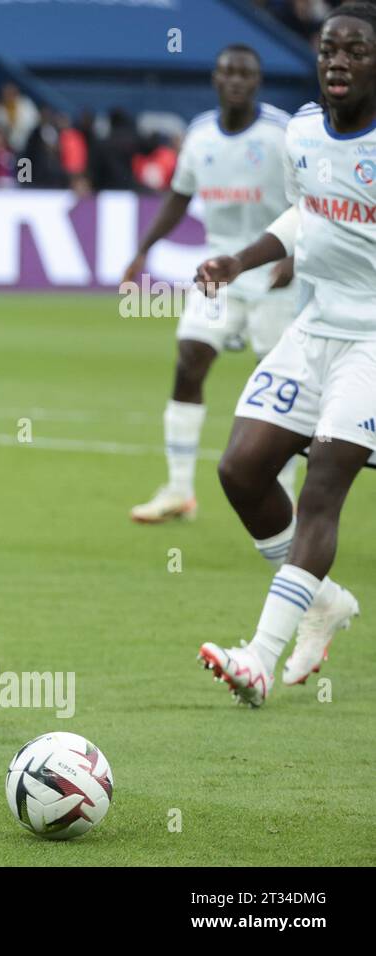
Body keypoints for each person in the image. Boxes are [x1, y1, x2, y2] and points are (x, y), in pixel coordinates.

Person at [194, 4, 376, 705]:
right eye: (330, 49)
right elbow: (305, 215)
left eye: (355, 51)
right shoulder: (300, 133)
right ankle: (323, 601)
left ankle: (260, 658)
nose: (338, 61)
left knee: (323, 485)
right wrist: (238, 259)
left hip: (370, 343)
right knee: (241, 470)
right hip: (312, 328)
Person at [123, 45, 299, 524]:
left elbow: (312, 200)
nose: (236, 80)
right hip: (219, 271)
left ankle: (286, 502)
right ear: (216, 79)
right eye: (228, 72)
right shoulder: (199, 135)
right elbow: (179, 198)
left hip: (273, 272)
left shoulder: (283, 133)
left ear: (258, 80)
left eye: (245, 73)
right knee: (189, 358)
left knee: (278, 387)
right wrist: (143, 249)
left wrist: (295, 256)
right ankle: (179, 490)